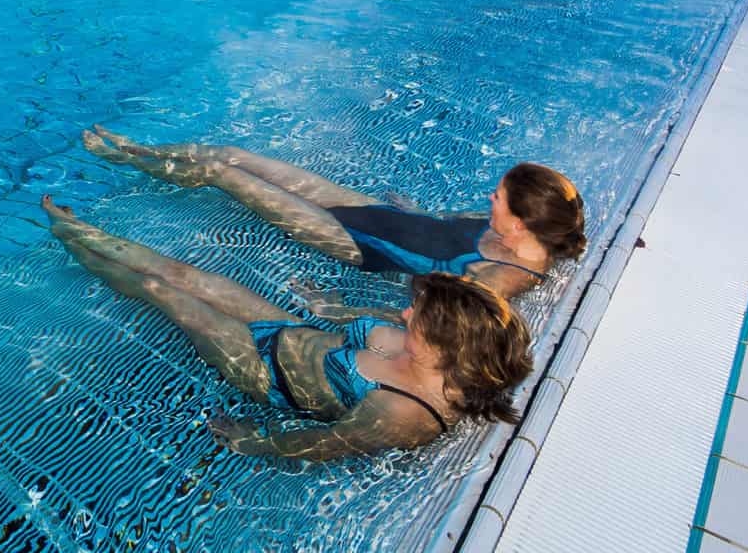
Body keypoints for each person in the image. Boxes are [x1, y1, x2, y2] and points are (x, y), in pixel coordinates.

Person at [43, 196, 531, 459]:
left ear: (444, 350)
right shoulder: (438, 351)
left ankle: (74, 249)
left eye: (416, 320)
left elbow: (320, 446)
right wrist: (328, 306)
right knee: (184, 275)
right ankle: (79, 231)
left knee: (164, 293)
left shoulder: (403, 414)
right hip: (291, 329)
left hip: (265, 370)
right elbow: (361, 327)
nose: (404, 315)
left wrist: (253, 440)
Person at [82, 129, 586, 314]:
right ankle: (132, 152)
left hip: (354, 241)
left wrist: (337, 306)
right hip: (376, 210)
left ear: (519, 225)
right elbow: (444, 224)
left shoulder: (498, 280)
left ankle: (126, 160)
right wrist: (410, 212)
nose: (490, 198)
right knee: (233, 154)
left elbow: (427, 319)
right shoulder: (515, 226)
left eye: (499, 198)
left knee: (221, 173)